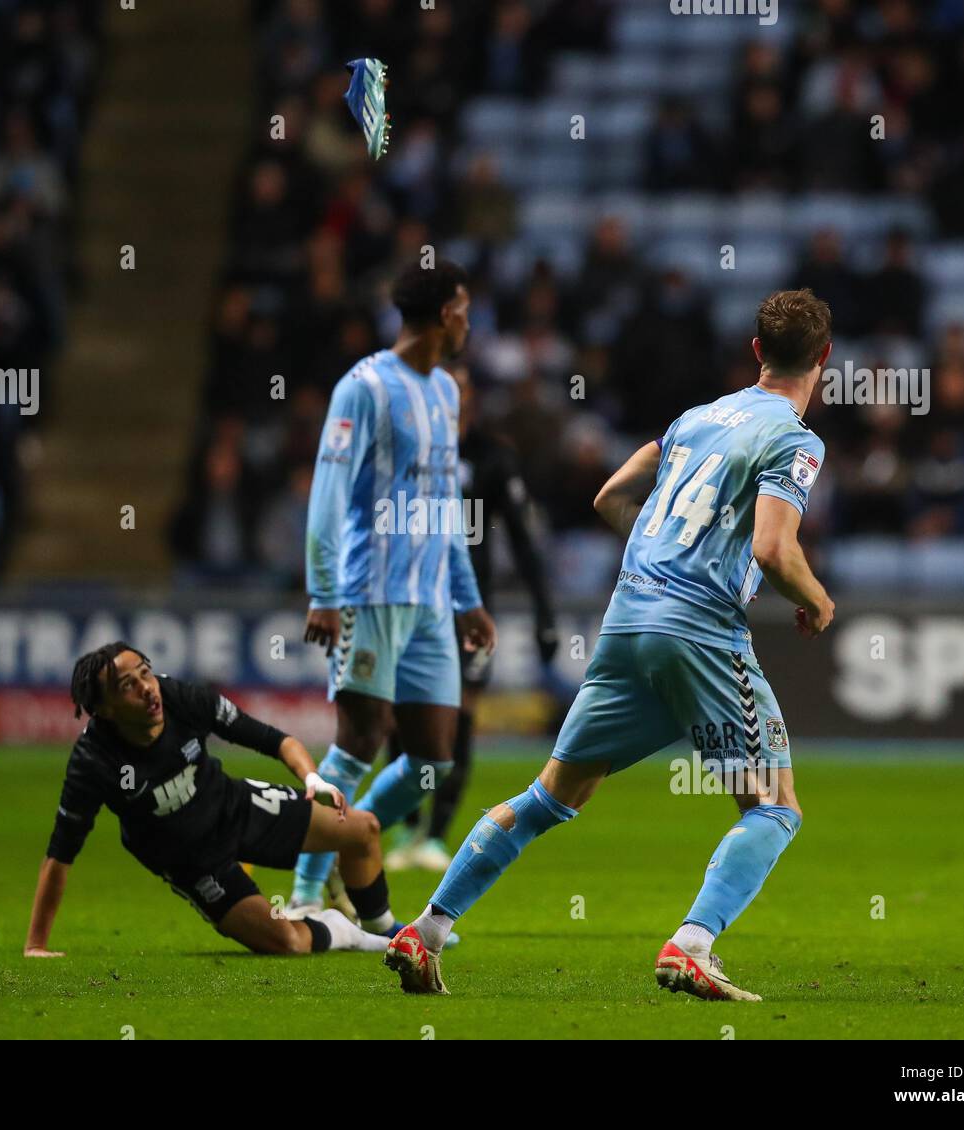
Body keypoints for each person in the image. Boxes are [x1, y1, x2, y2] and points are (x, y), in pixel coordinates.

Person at [386, 289, 836, 1000]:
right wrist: (817, 600)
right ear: (825, 359)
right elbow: (775, 549)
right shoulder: (795, 439)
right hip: (699, 630)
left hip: (628, 619)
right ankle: (692, 944)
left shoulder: (697, 418)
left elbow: (608, 497)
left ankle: (426, 929)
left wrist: (666, 551)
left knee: (552, 793)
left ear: (755, 352)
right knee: (775, 805)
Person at [286, 259, 498, 917]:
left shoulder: (442, 391)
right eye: (463, 308)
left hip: (433, 603)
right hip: (370, 592)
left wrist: (465, 597)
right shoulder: (365, 386)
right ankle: (304, 895)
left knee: (432, 762)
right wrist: (324, 591)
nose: (469, 321)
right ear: (443, 315)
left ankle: (350, 846)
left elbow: (443, 501)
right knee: (360, 742)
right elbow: (327, 492)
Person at [24, 643, 393, 958]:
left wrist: (312, 778)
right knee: (287, 942)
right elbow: (60, 853)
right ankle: (344, 930)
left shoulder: (179, 698)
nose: (147, 689)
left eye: (146, 673)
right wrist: (36, 944)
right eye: (128, 686)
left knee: (363, 830)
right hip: (194, 861)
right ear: (104, 709)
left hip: (234, 806)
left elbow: (274, 740)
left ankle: (390, 935)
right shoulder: (93, 761)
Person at [385, 362, 557, 872]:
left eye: (456, 391)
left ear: (469, 400)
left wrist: (545, 614)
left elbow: (524, 545)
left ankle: (435, 834)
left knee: (459, 714)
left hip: (469, 607)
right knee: (404, 716)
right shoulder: (408, 454)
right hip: (412, 603)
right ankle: (406, 825)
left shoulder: (493, 457)